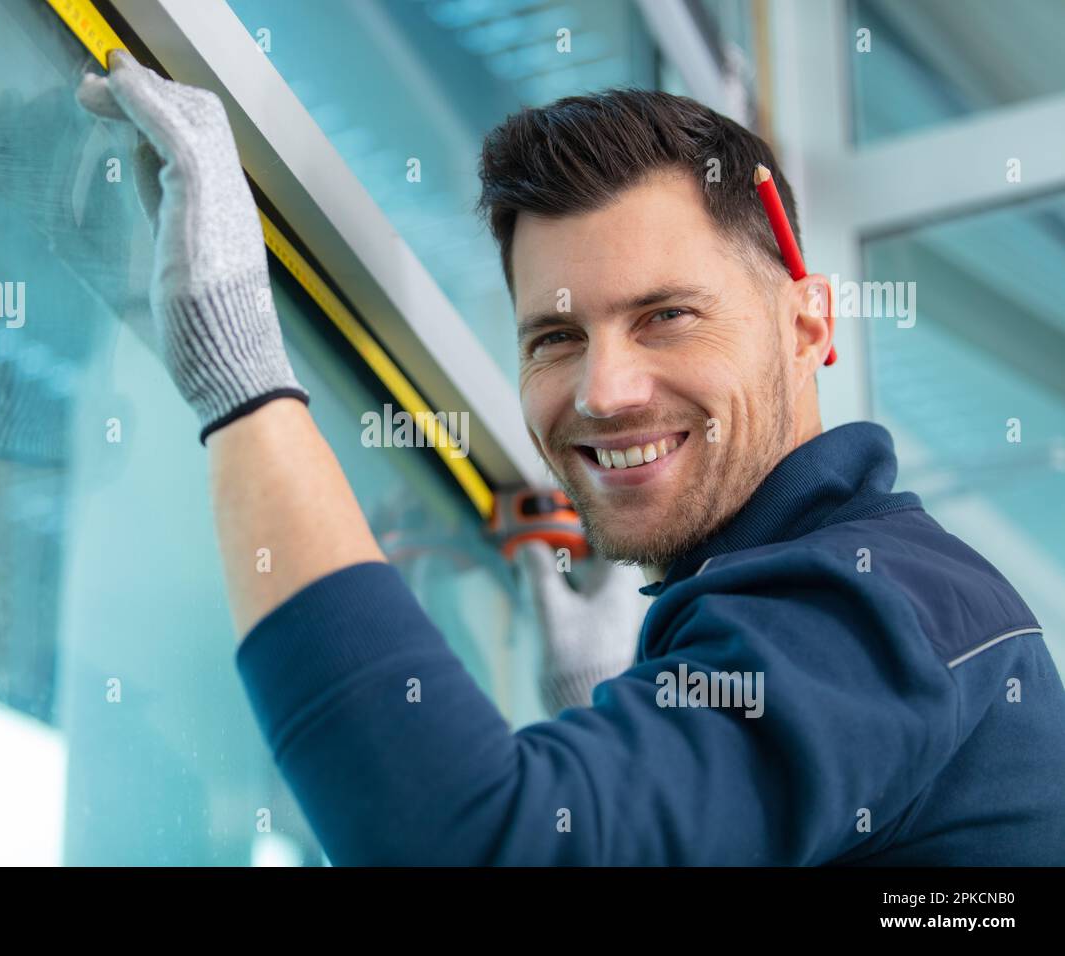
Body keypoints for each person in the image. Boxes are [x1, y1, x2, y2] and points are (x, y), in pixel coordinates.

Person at [74, 51, 1065, 865]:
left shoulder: (871, 607)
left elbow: (470, 846)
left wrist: (242, 382)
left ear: (807, 325)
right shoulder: (850, 602)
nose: (602, 390)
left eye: (665, 316)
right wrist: (629, 715)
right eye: (554, 338)